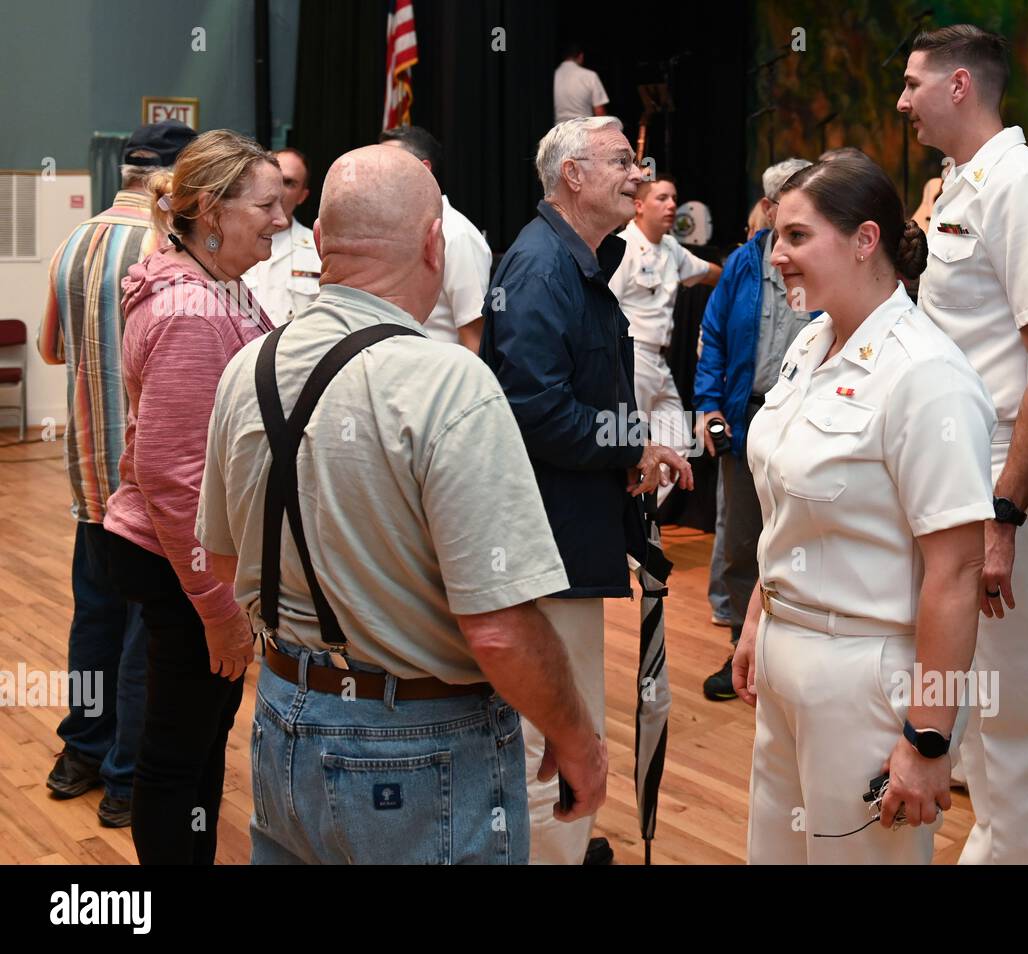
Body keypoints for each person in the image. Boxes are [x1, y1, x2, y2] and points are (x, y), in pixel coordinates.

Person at [195, 144, 606, 864]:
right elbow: (501, 631)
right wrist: (576, 739)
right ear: (432, 244)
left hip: (282, 719)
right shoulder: (450, 383)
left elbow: (226, 557)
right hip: (420, 747)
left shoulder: (246, 367)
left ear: (318, 242)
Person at [733, 153, 995, 864]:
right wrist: (761, 613)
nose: (776, 255)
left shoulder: (927, 374)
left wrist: (929, 738)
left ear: (865, 239)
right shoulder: (812, 343)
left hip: (866, 676)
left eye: (795, 236)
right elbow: (792, 502)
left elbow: (957, 570)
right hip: (789, 657)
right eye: (775, 237)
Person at [898, 23, 1028, 864]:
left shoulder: (1027, 187)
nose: (901, 100)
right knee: (979, 717)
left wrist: (1005, 514)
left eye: (912, 83)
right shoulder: (960, 182)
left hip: (1017, 484)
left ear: (959, 87)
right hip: (964, 479)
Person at [481, 116, 693, 865]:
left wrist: (626, 451)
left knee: (558, 737)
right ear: (573, 175)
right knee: (552, 745)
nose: (637, 175)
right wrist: (632, 445)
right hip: (551, 543)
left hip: (569, 534)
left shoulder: (575, 261)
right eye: (622, 162)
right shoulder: (542, 270)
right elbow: (532, 412)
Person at [101, 130, 285, 864]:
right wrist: (218, 609)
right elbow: (173, 476)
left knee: (202, 740)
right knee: (180, 753)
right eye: (267, 205)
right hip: (183, 562)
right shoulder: (190, 310)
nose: (281, 218)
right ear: (211, 210)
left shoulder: (217, 286)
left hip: (192, 557)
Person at [38, 119, 197, 828]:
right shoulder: (170, 248)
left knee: (94, 622)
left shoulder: (74, 241)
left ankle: (80, 751)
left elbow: (48, 350)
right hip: (148, 483)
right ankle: (128, 779)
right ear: (174, 180)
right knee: (150, 634)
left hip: (86, 478)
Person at [693, 157, 813, 701]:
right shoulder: (743, 263)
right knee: (743, 538)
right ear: (768, 208)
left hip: (809, 422)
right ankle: (742, 650)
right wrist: (709, 406)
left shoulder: (821, 261)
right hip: (747, 418)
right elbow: (713, 337)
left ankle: (792, 655)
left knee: (802, 534)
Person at [609, 173, 721, 502]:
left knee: (678, 444)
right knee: (624, 448)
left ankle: (640, 522)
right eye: (662, 198)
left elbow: (710, 273)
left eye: (674, 198)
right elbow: (604, 308)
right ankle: (622, 532)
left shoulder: (672, 248)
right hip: (629, 356)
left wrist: (740, 276)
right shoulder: (622, 248)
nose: (672, 205)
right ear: (638, 206)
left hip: (660, 360)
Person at [379, 124, 492, 351]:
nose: (377, 173)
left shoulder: (458, 235)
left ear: (424, 169)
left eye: (388, 164)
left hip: (437, 380)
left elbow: (474, 338)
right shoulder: (389, 229)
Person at [242, 147, 321, 326]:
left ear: (302, 196)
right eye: (273, 179)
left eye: (289, 182)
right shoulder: (232, 242)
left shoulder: (318, 251)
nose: (279, 189)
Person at [553, 42, 609, 124]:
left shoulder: (552, 76)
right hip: (584, 130)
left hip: (559, 131)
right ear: (581, 56)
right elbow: (599, 112)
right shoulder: (590, 76)